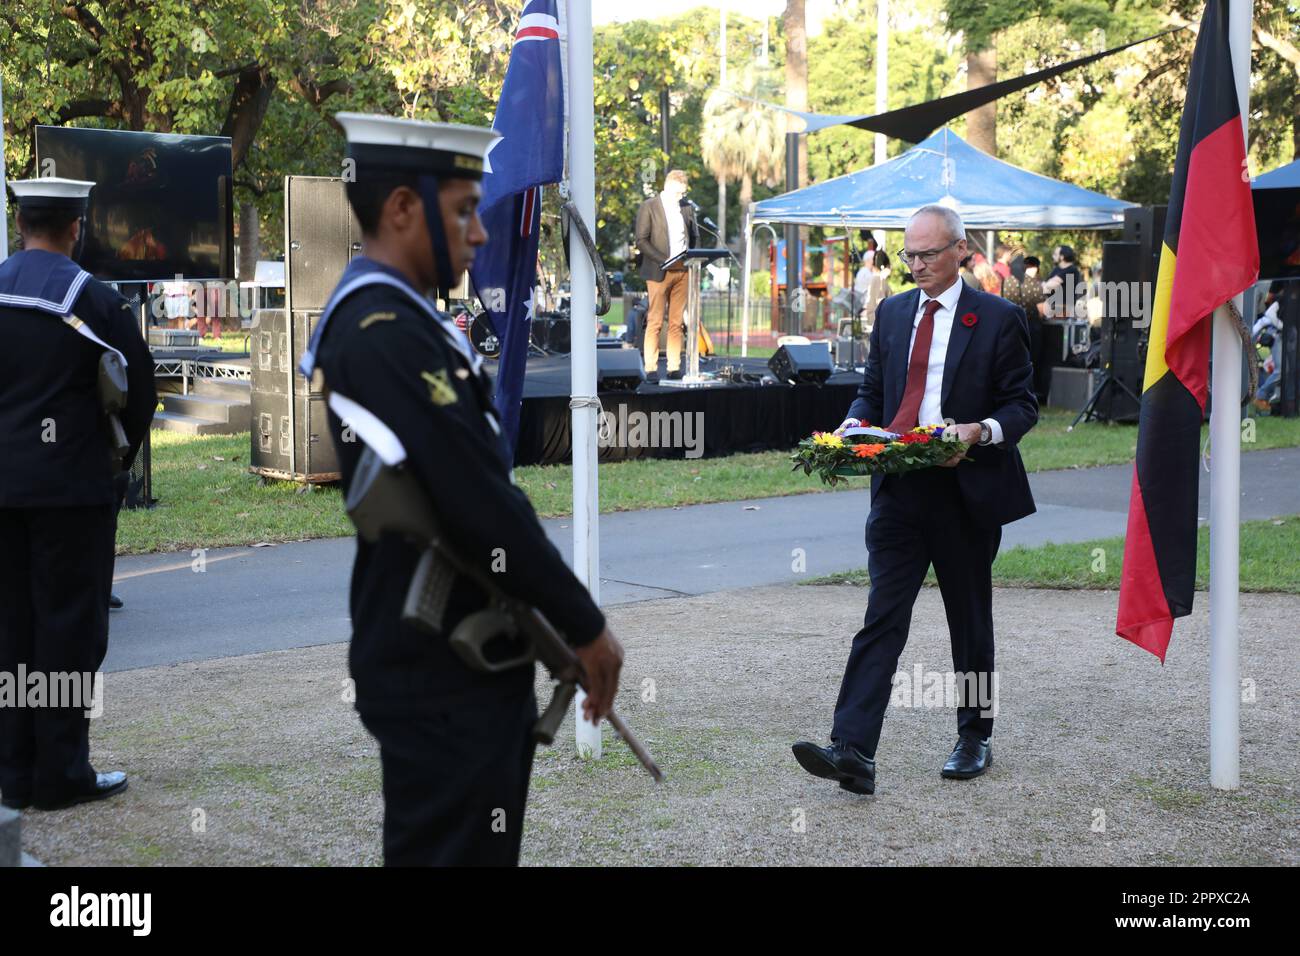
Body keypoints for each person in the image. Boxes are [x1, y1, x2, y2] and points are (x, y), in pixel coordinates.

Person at [299, 113, 624, 866]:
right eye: (464, 210)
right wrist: (583, 625)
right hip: (437, 662)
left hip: (463, 649)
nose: (479, 234)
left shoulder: (403, 319)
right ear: (402, 210)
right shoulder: (382, 328)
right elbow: (477, 500)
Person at [792, 204, 1037, 794]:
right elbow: (874, 391)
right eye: (910, 254)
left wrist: (978, 432)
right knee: (882, 617)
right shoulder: (894, 312)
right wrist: (854, 426)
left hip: (966, 491)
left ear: (962, 251)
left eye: (929, 254)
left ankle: (975, 735)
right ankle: (853, 749)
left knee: (969, 619)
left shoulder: (999, 318)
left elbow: (1022, 406)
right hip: (899, 489)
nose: (918, 265)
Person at [0, 178, 156, 811]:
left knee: (10, 629)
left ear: (20, 223)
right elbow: (140, 391)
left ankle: (13, 770)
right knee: (68, 629)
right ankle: (62, 772)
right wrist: (113, 466)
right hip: (72, 493)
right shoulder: (94, 299)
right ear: (76, 227)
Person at [633, 170, 698, 381]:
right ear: (668, 186)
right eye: (678, 193)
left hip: (683, 271)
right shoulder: (649, 206)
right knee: (655, 320)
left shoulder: (687, 208)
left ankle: (673, 366)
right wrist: (663, 259)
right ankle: (651, 368)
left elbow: (694, 235)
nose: (681, 197)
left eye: (683, 193)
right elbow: (641, 240)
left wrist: (692, 259)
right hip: (658, 271)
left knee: (677, 322)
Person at [1002, 255, 1050, 404]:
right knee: (1031, 361)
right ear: (1034, 267)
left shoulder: (1008, 280)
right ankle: (1030, 396)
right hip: (1031, 326)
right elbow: (1042, 310)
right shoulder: (1035, 284)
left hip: (1010, 325)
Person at [861, 250, 892, 332]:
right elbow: (880, 301)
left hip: (875, 320)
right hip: (880, 322)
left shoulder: (876, 278)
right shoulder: (879, 279)